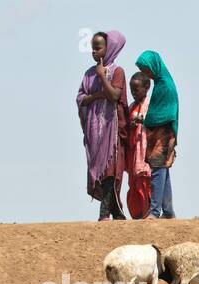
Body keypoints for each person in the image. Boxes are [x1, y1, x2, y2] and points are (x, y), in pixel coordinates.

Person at [76, 30, 129, 220]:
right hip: (94, 131)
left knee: (110, 169)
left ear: (109, 48)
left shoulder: (117, 71)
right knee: (101, 169)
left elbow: (115, 95)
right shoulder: (88, 74)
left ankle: (104, 213)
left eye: (98, 48)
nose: (94, 52)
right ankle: (117, 213)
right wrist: (97, 95)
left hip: (112, 130)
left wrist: (102, 77)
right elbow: (81, 98)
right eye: (93, 49)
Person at [136, 51, 179, 219]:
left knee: (157, 170)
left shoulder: (165, 86)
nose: (145, 73)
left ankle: (155, 211)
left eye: (146, 69)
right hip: (159, 133)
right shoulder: (161, 83)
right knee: (162, 170)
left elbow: (167, 113)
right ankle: (168, 212)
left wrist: (148, 120)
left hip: (164, 134)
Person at [124, 72, 152, 219]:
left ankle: (148, 212)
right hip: (134, 152)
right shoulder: (131, 107)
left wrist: (143, 121)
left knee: (145, 182)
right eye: (132, 90)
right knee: (134, 184)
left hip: (146, 152)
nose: (134, 93)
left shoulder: (151, 105)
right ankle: (137, 214)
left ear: (147, 87)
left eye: (136, 89)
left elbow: (154, 123)